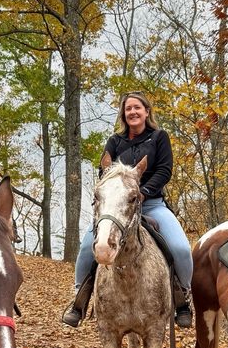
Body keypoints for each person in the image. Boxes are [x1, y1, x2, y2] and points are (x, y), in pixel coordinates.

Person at [62, 90, 194, 328]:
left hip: (151, 203)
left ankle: (182, 300)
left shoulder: (159, 137)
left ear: (146, 111)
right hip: (117, 205)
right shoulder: (115, 141)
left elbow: (165, 170)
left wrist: (142, 193)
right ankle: (78, 301)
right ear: (123, 114)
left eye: (137, 108)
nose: (132, 112)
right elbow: (105, 174)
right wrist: (120, 194)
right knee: (85, 247)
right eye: (128, 108)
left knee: (181, 248)